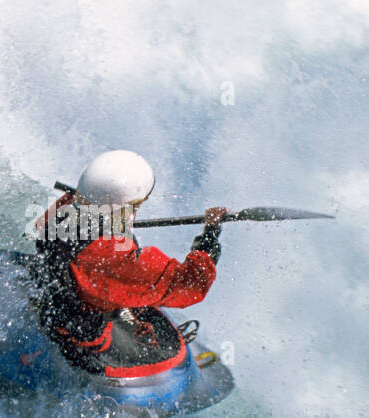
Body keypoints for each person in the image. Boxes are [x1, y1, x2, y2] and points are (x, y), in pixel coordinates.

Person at [31, 150, 227, 378]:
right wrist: (210, 235)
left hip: (52, 305)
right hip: (80, 340)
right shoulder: (116, 259)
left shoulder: (64, 208)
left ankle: (117, 312)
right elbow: (191, 284)